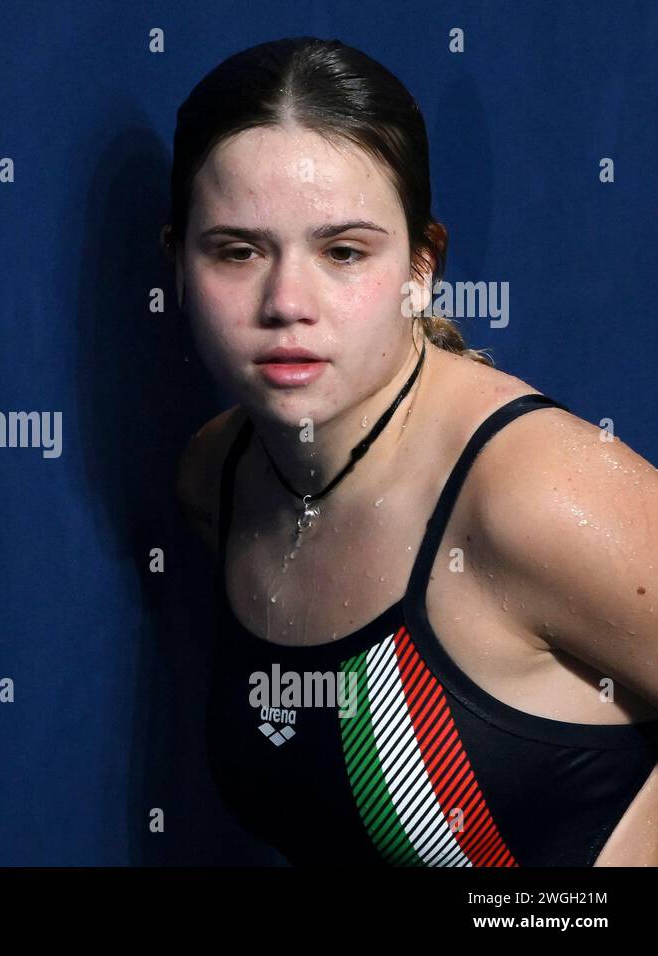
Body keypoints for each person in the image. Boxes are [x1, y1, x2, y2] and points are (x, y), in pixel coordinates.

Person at [164, 37, 658, 866]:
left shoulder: (531, 496)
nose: (288, 302)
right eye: (238, 250)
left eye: (344, 252)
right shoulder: (218, 478)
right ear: (175, 265)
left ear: (422, 267)